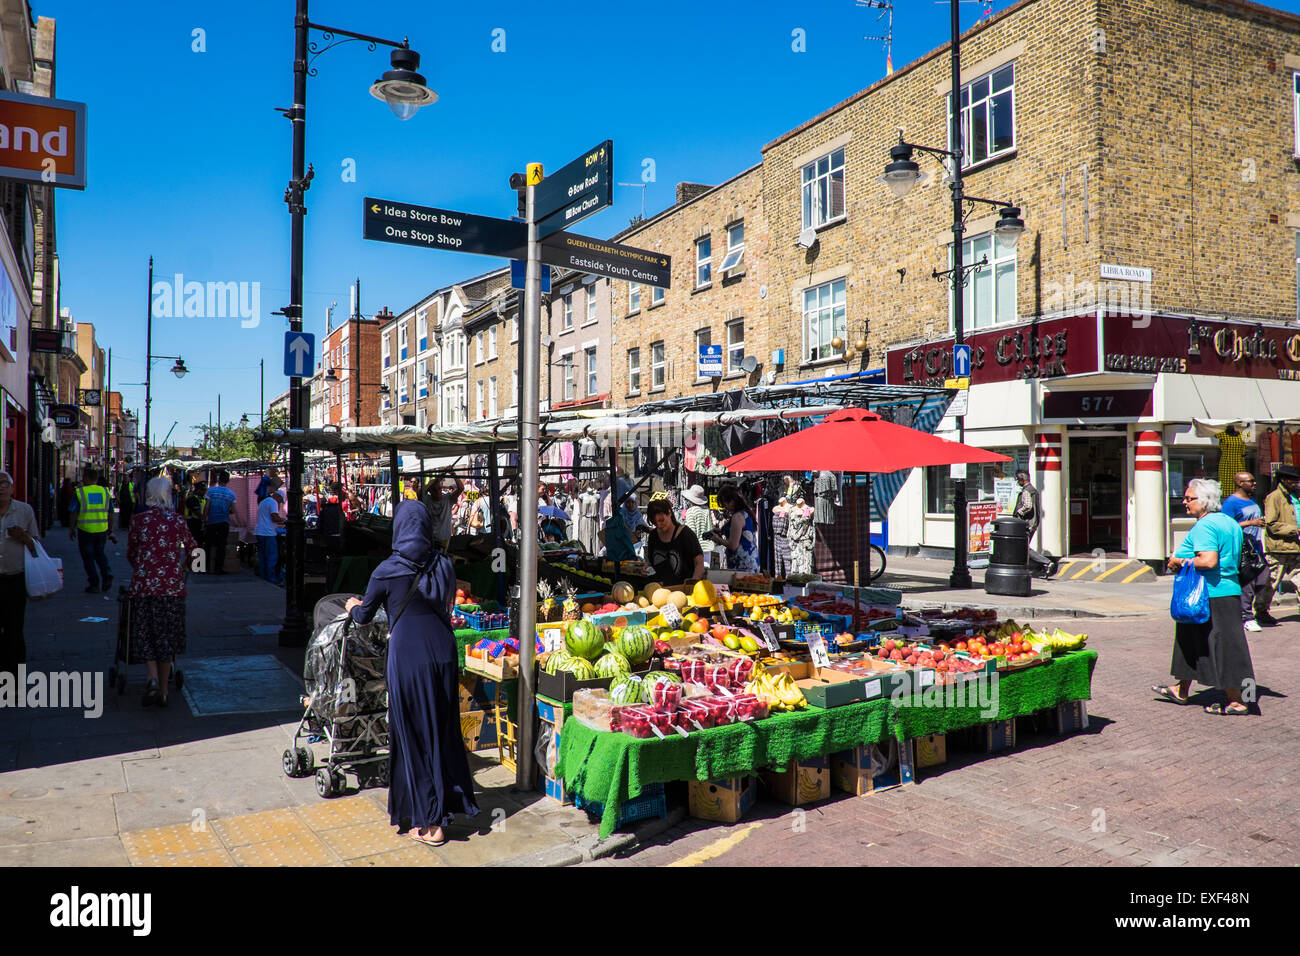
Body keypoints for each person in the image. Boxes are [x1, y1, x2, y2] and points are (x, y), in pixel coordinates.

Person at [346, 501, 480, 846]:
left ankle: (430, 823)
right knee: (441, 730)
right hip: (445, 653)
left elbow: (363, 616)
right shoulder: (444, 565)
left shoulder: (387, 570)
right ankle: (451, 803)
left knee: (414, 737)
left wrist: (351, 606)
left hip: (409, 659)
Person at [1154, 479, 1255, 716]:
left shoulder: (1205, 526)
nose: (1185, 502)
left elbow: (1208, 561)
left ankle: (1237, 701)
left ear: (1205, 501)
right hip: (1226, 591)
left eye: (1189, 498)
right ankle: (1181, 689)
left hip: (1208, 595)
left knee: (1223, 645)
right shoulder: (1229, 523)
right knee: (1189, 641)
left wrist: (1178, 561)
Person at [128, 476, 197, 708]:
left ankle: (153, 678)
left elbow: (132, 552)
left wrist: (143, 568)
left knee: (146, 632)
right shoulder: (177, 521)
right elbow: (194, 550)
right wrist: (186, 566)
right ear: (169, 495)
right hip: (172, 586)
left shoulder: (139, 520)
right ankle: (165, 691)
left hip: (144, 585)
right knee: (166, 636)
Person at [0, 470, 40, 677]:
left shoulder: (24, 511)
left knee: (14, 631)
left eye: (5, 483)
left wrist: (24, 537)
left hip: (15, 578)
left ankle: (14, 679)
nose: (1, 487)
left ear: (13, 488)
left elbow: (37, 546)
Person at [1221, 471, 1268, 631]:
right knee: (1248, 582)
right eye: (1251, 481)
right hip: (1243, 548)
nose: (1254, 484)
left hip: (1256, 546)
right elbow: (1226, 526)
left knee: (1263, 579)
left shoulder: (1252, 500)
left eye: (1254, 481)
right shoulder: (1231, 503)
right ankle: (1246, 616)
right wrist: (1250, 523)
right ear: (1240, 483)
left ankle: (1260, 612)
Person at [1260, 465, 1300, 624]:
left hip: (1295, 547)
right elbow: (1271, 524)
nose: (1295, 483)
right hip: (1279, 548)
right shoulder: (1274, 497)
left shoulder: (1294, 496)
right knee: (1272, 583)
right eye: (1292, 480)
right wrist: (1295, 530)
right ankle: (1261, 611)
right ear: (1283, 479)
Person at [68, 467, 116, 593]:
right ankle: (107, 574)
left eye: (84, 477)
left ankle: (94, 583)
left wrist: (71, 528)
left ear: (87, 478)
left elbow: (73, 512)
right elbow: (111, 514)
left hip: (85, 530)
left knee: (88, 557)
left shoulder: (80, 492)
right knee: (100, 554)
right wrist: (110, 529)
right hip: (101, 529)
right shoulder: (105, 492)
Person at [642, 498, 705, 585]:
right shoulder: (653, 536)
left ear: (669, 513)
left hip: (683, 590)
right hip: (658, 591)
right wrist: (646, 567)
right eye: (655, 522)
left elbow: (699, 563)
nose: (659, 525)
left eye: (661, 520)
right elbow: (651, 562)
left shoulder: (686, 534)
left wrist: (692, 583)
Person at [709, 483, 760, 573]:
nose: (724, 506)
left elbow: (733, 545)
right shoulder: (744, 514)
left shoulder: (737, 516)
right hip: (748, 562)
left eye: (725, 502)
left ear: (732, 500)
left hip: (742, 565)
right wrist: (722, 531)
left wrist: (717, 539)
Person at [422, 471, 464, 551]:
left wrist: (453, 474)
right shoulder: (427, 499)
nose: (437, 492)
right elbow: (422, 491)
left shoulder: (448, 499)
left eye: (439, 489)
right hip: (430, 538)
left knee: (442, 558)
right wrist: (437, 480)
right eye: (434, 490)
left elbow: (461, 488)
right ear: (430, 491)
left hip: (444, 538)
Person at [204, 470, 237, 574]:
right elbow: (233, 510)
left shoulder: (211, 491)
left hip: (212, 521)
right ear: (228, 481)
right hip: (224, 522)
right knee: (221, 545)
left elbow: (207, 506)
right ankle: (219, 568)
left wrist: (204, 518)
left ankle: (206, 567)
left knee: (208, 544)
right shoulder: (231, 494)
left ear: (218, 479)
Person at [255, 479, 286, 585]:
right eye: (281, 501)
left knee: (263, 557)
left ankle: (264, 578)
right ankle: (271, 578)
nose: (280, 504)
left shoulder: (264, 501)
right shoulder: (273, 502)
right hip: (268, 533)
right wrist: (284, 520)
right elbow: (274, 517)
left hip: (260, 531)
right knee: (272, 557)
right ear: (278, 497)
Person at [788, 497, 815, 576]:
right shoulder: (792, 510)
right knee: (795, 566)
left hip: (805, 541)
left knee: (806, 567)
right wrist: (789, 538)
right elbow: (790, 526)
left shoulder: (809, 509)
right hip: (794, 543)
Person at [771, 496, 792, 578]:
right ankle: (777, 583)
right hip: (776, 537)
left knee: (787, 562)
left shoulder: (790, 508)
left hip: (785, 537)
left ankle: (790, 582)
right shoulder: (775, 509)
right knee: (777, 563)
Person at [184, 480, 207, 552]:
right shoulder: (192, 499)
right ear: (197, 490)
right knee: (193, 546)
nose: (204, 492)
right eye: (202, 490)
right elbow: (198, 513)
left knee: (200, 545)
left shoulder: (202, 499)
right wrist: (205, 519)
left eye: (205, 490)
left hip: (199, 525)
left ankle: (198, 562)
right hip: (192, 524)